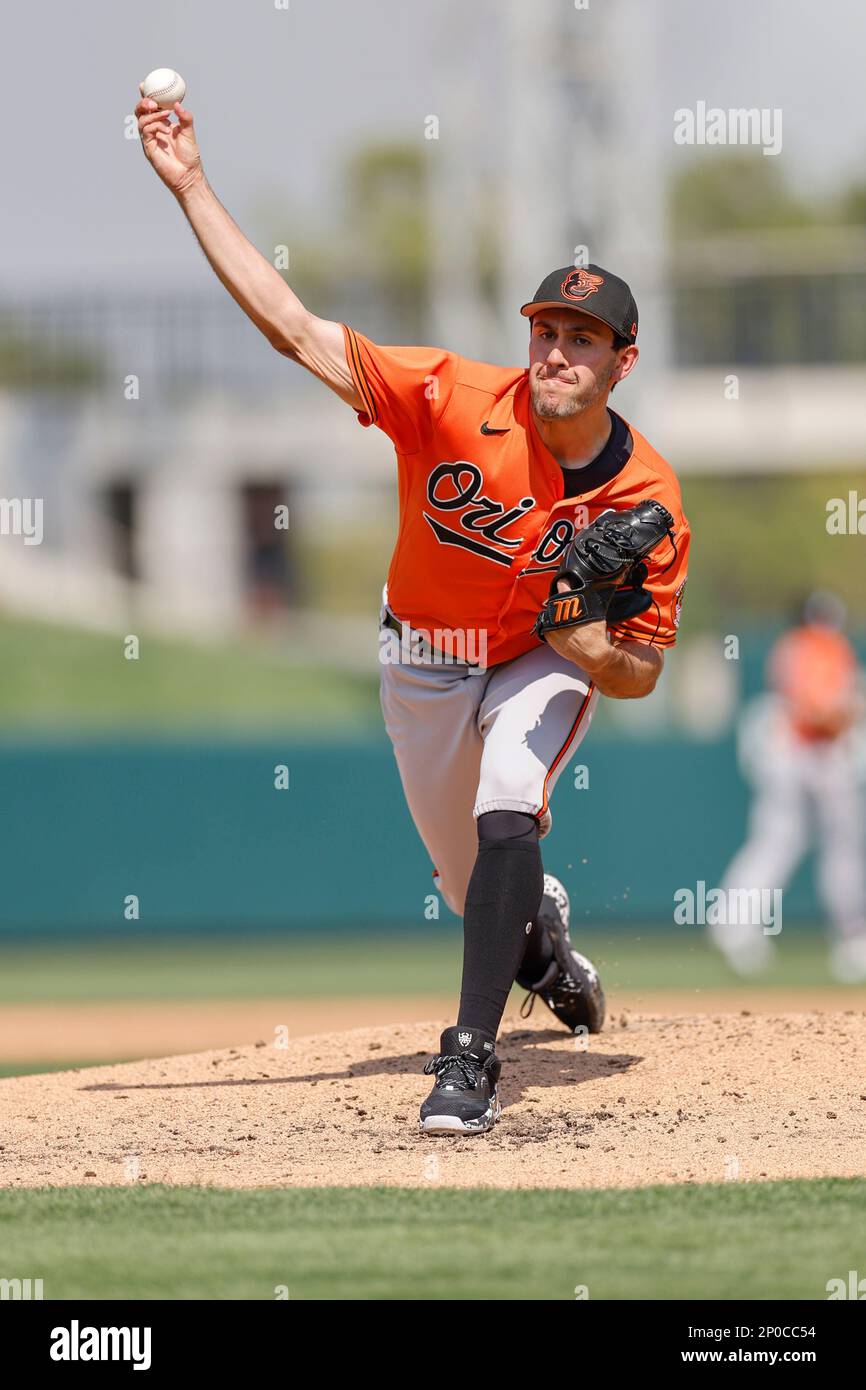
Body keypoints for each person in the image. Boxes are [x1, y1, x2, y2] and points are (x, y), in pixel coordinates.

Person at [136, 92, 690, 1134]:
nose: (557, 349)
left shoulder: (646, 500)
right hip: (425, 655)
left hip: (538, 655)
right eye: (545, 328)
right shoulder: (443, 397)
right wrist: (190, 185)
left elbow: (642, 669)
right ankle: (543, 949)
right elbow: (292, 328)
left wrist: (587, 647)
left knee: (510, 794)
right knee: (462, 874)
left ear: (622, 361)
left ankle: (468, 1061)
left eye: (583, 336)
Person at [711, 592, 866, 983]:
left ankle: (852, 937)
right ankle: (735, 927)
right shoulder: (804, 647)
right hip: (798, 753)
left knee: (837, 846)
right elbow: (817, 710)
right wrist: (849, 711)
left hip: (823, 755)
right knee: (784, 841)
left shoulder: (826, 647)